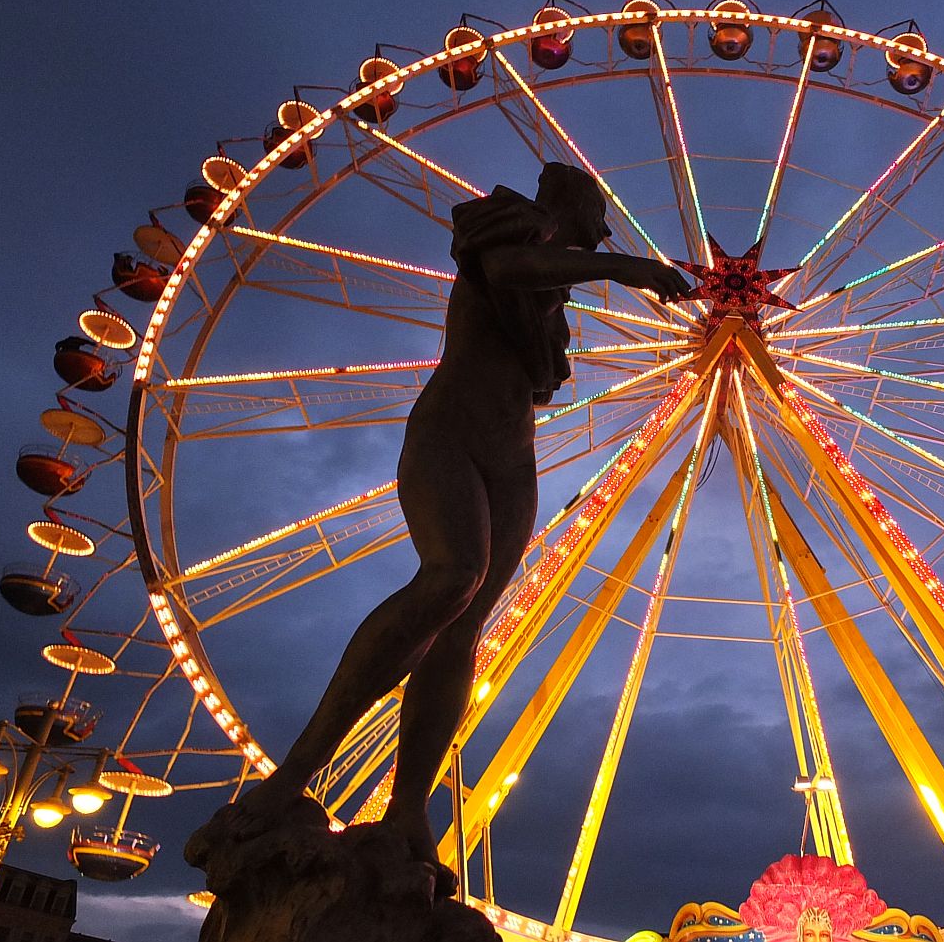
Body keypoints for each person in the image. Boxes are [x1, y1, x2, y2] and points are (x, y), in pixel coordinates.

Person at [225, 162, 690, 888]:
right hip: (447, 438)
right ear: (568, 210)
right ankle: (293, 773)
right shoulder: (500, 229)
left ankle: (407, 808)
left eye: (607, 237)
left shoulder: (551, 313)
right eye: (599, 221)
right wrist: (626, 266)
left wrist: (605, 269)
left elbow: (540, 310)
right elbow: (513, 268)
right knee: (451, 576)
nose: (604, 233)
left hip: (513, 462)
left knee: (465, 625)